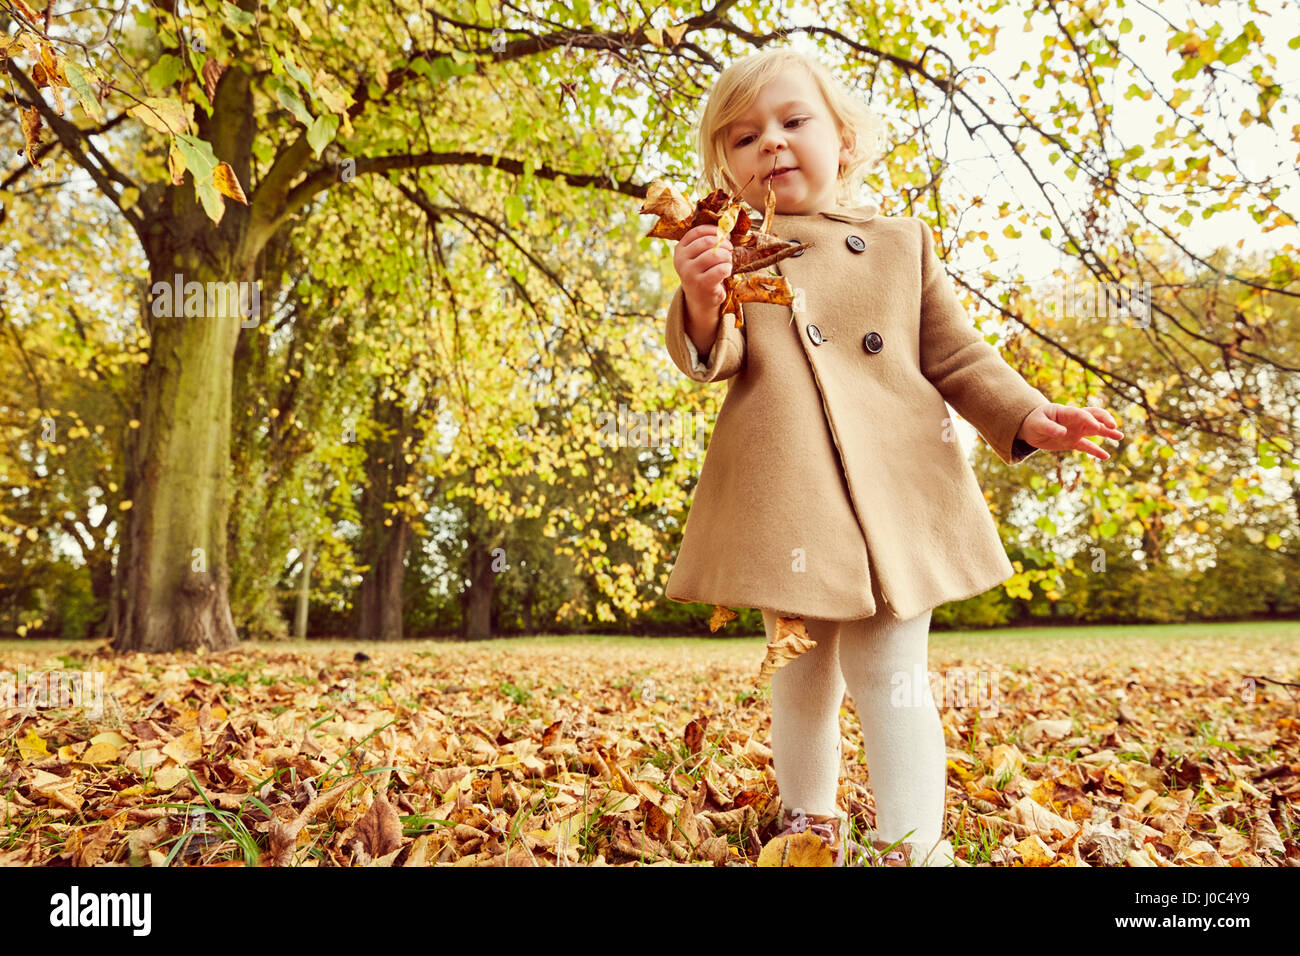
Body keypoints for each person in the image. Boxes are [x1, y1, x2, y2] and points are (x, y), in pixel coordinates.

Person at [660, 47, 1123, 866]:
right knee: (799, 671)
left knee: (891, 672)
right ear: (724, 171)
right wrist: (700, 297)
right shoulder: (728, 253)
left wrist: (1028, 414)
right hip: (793, 506)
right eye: (743, 138)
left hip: (897, 501)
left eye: (793, 121)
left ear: (843, 140)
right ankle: (809, 822)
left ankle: (913, 844)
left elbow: (959, 356)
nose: (771, 143)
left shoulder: (900, 243)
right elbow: (715, 354)